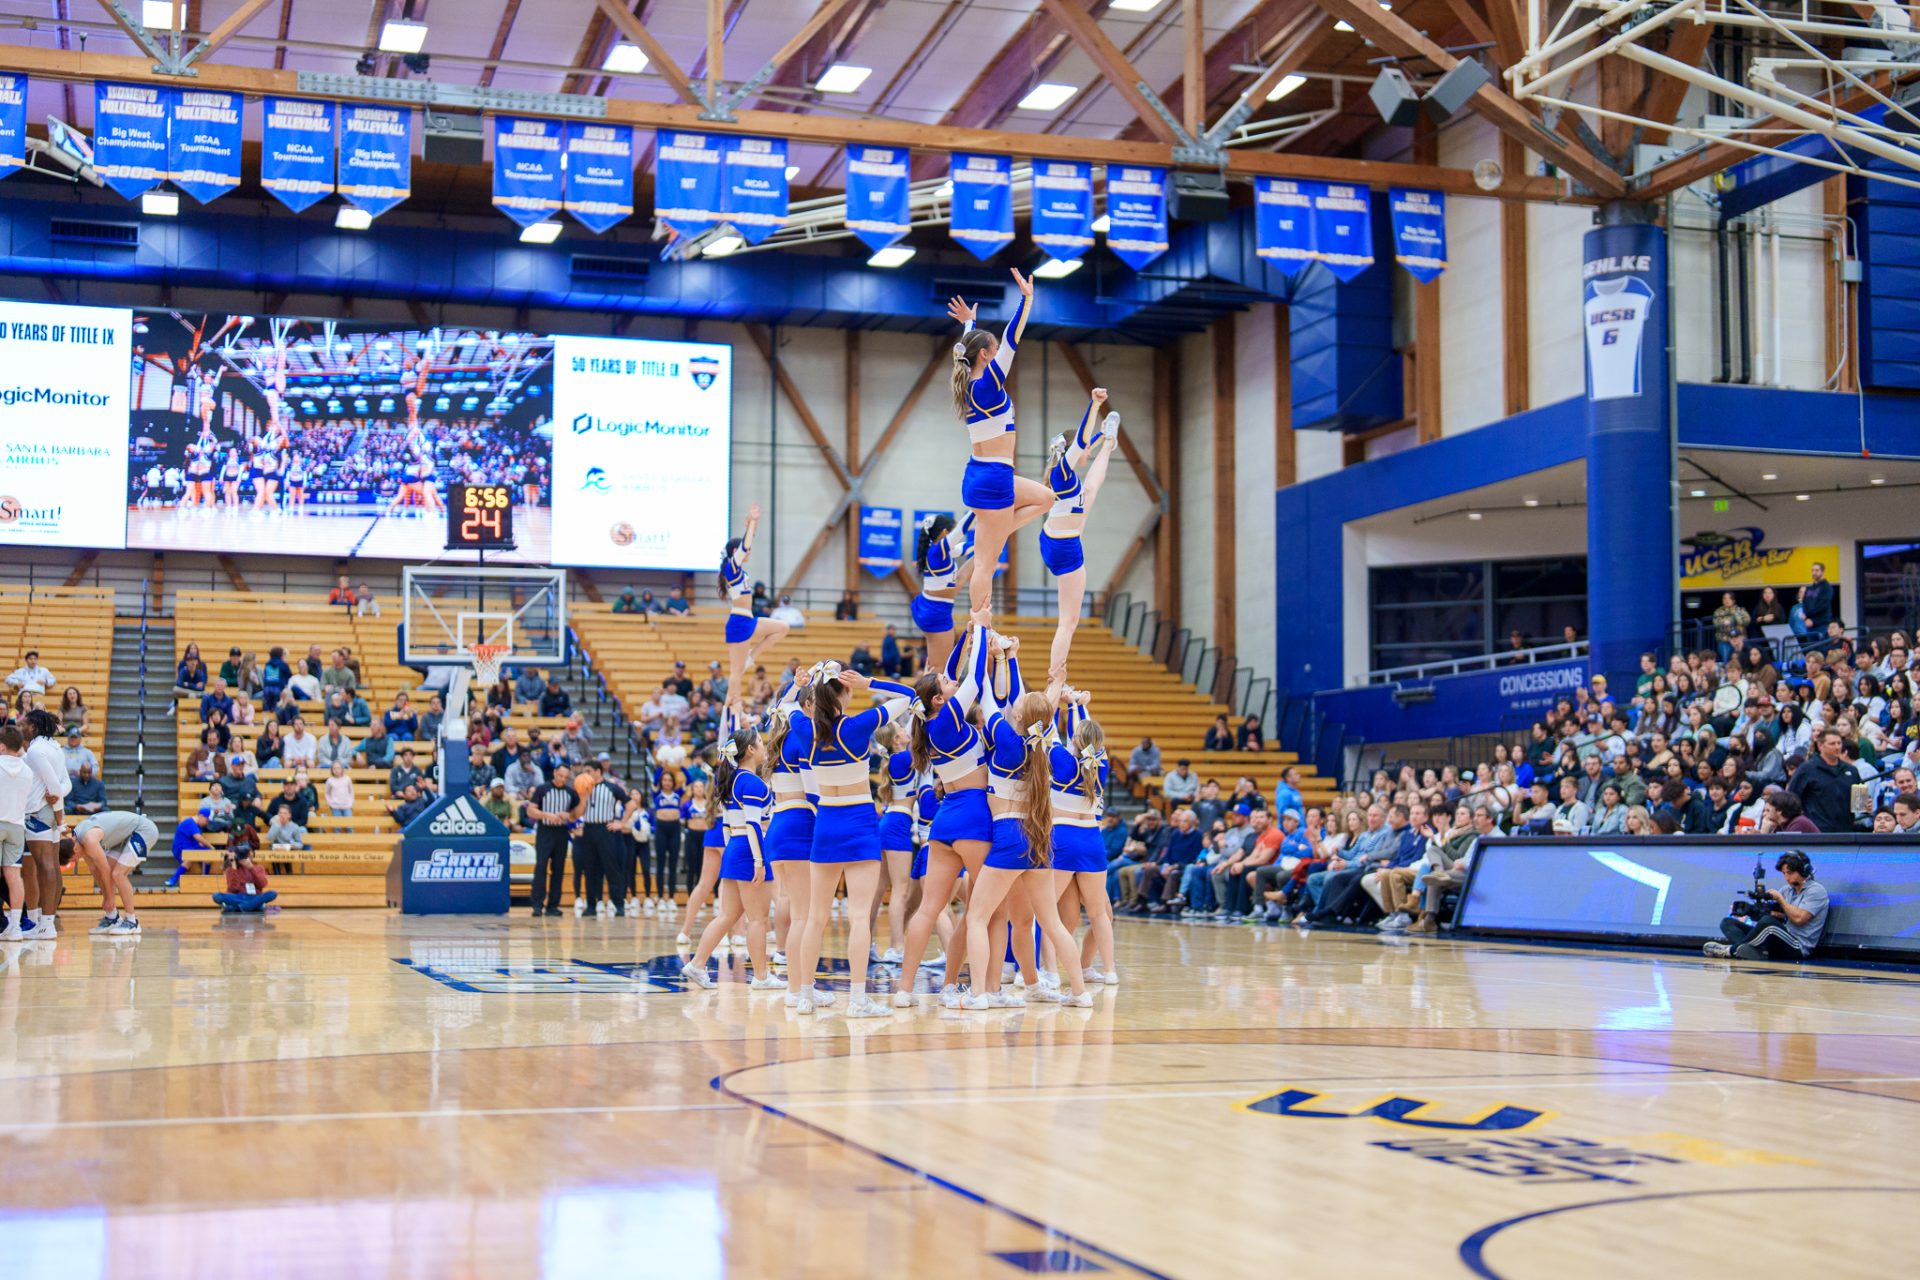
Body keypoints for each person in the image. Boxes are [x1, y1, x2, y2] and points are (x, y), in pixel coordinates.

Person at [954, 633, 1090, 1006]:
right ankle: (1078, 993)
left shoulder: (1005, 738)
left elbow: (982, 691)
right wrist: (1011, 659)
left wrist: (986, 647)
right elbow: (1031, 706)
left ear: (1019, 717)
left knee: (978, 918)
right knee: (1050, 923)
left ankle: (981, 994)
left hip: (1008, 835)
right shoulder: (1049, 748)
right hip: (1039, 839)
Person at [784, 662, 917, 1017]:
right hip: (859, 822)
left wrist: (798, 685)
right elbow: (909, 695)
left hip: (826, 821)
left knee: (815, 917)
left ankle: (805, 996)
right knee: (859, 916)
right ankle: (858, 999)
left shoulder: (803, 728)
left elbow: (783, 708)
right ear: (845, 691)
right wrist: (869, 680)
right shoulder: (858, 726)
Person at [892, 621, 994, 1009]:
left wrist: (965, 637)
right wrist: (982, 631)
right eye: (945, 687)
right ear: (938, 699)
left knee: (929, 908)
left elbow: (952, 675)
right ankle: (965, 986)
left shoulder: (931, 723)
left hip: (945, 820)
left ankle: (905, 990)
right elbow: (975, 675)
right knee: (979, 910)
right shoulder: (951, 715)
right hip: (974, 815)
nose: (951, 684)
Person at [947, 270, 1052, 626]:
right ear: (986, 355)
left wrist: (970, 324)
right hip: (992, 477)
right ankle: (981, 626)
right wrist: (1026, 300)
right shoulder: (988, 385)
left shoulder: (971, 381)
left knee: (1046, 499)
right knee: (985, 565)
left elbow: (970, 350)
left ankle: (998, 529)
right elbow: (1012, 340)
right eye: (991, 350)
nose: (997, 353)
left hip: (988, 472)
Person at [681, 725, 782, 990]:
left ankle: (697, 964)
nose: (764, 746)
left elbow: (727, 827)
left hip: (736, 849)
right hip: (749, 851)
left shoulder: (732, 780)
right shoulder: (750, 782)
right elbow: (752, 825)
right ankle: (761, 977)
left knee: (728, 915)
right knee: (758, 918)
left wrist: (735, 853)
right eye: (760, 742)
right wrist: (758, 861)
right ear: (749, 750)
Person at [1038, 388, 1120, 681]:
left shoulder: (1063, 473)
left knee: (1090, 491)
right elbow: (1083, 442)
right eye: (1084, 449)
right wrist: (1095, 404)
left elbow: (1086, 444)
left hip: (1054, 537)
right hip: (1065, 548)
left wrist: (1103, 436)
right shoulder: (1062, 471)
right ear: (1073, 450)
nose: (1088, 451)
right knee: (1069, 621)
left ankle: (1110, 442)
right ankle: (1055, 675)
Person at [719, 504, 789, 715]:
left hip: (748, 619)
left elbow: (746, 545)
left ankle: (752, 656)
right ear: (734, 552)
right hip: (738, 623)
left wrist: (751, 526)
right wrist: (752, 523)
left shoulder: (738, 569)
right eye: (742, 550)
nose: (748, 552)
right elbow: (745, 546)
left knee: (782, 628)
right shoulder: (730, 567)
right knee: (736, 672)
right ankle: (734, 705)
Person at [1704, 850, 1829, 960]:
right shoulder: (1787, 890)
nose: (1786, 878)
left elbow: (1799, 919)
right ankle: (1751, 951)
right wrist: (1752, 911)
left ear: (1804, 870)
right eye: (1784, 873)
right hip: (1779, 939)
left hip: (1798, 945)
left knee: (1768, 924)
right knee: (1727, 922)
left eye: (1790, 873)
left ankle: (1731, 950)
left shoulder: (1816, 891)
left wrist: (1780, 899)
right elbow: (1777, 915)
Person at [18, 709, 70, 940]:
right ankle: (46, 920)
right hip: (47, 811)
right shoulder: (54, 747)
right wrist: (55, 801)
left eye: (24, 723)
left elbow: (56, 787)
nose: (20, 726)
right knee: (51, 868)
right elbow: (65, 784)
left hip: (39, 814)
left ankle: (46, 925)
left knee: (44, 866)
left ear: (34, 727)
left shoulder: (37, 751)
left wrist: (58, 814)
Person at [71, 810, 160, 937]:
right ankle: (112, 917)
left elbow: (105, 870)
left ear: (74, 850)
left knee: (118, 874)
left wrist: (109, 898)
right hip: (123, 836)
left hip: (142, 830)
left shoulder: (89, 840)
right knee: (108, 874)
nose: (74, 862)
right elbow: (96, 871)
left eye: (72, 859)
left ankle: (131, 921)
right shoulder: (78, 840)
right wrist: (107, 899)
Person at [912, 512, 973, 674]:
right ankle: (925, 697)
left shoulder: (939, 552)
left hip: (929, 606)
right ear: (946, 533)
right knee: (939, 669)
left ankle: (924, 693)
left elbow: (964, 548)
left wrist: (987, 541)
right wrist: (977, 507)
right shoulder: (937, 551)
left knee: (934, 666)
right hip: (936, 612)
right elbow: (962, 528)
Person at [0, 725, 38, 939]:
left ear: (3, 746)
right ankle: (15, 927)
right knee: (14, 877)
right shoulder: (27, 770)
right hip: (16, 826)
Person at [1787, 727, 1861, 832]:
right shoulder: (1806, 769)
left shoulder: (1852, 771)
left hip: (1846, 833)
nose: (1837, 747)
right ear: (1820, 745)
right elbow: (1792, 799)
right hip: (1816, 833)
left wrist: (1866, 805)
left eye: (1839, 743)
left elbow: (1859, 804)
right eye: (1832, 744)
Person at [527, 768, 578, 917]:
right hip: (545, 831)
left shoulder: (570, 792)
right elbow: (530, 811)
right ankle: (537, 905)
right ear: (555, 773)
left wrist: (569, 815)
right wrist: (546, 815)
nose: (563, 779)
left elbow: (577, 814)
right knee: (541, 867)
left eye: (566, 777)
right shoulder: (542, 789)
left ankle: (553, 906)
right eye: (561, 776)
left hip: (561, 833)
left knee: (558, 870)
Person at [213, 846, 277, 913]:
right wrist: (233, 866)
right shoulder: (231, 868)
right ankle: (250, 907)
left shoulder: (259, 868)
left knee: (272, 893)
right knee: (217, 895)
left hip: (254, 896)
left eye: (249, 853)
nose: (247, 855)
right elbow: (233, 888)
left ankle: (236, 907)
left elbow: (263, 884)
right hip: (237, 896)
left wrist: (251, 868)